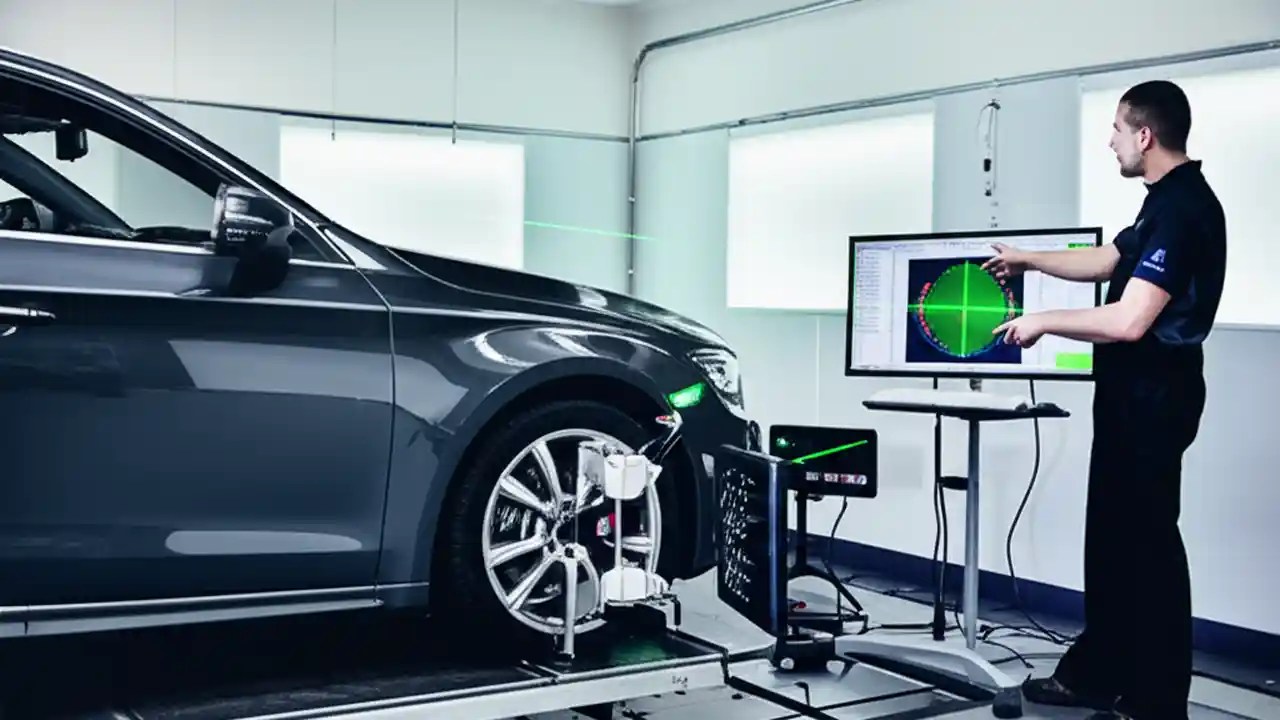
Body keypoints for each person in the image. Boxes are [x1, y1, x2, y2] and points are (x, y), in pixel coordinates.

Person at [983, 79, 1226, 720]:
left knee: (1147, 549)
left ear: (1144, 135)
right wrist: (1028, 260)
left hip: (1155, 401)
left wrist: (1044, 322)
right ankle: (1099, 674)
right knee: (1113, 544)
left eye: (1117, 129)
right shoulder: (1160, 203)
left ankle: (1156, 699)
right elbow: (1108, 259)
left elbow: (1130, 320)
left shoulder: (1185, 208)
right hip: (1129, 401)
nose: (1110, 140)